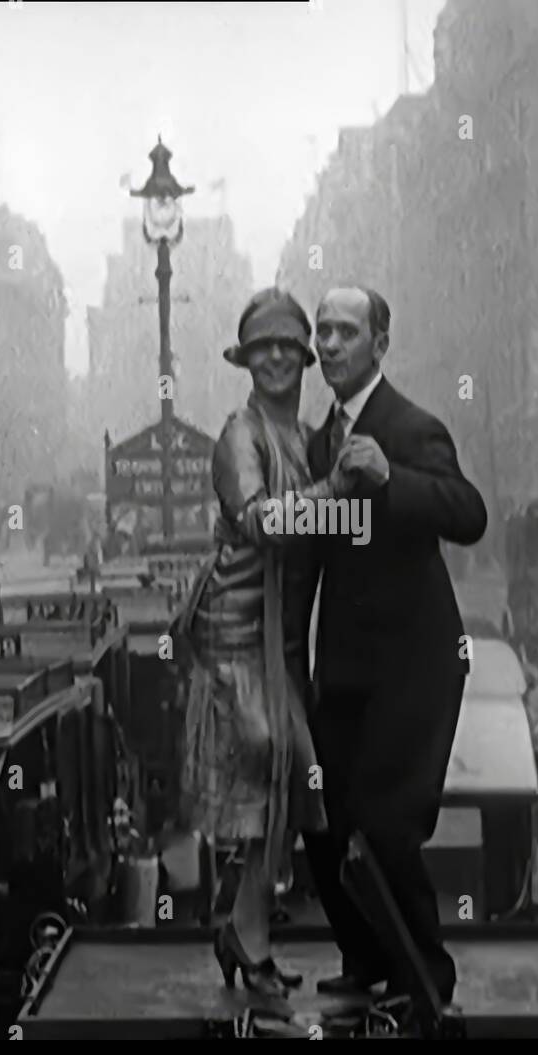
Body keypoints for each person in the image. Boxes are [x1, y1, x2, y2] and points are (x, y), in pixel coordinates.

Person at [305, 286, 487, 1009]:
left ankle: (427, 979)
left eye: (346, 331)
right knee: (321, 817)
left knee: (385, 825)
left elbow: (468, 513)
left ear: (380, 343)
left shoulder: (411, 426)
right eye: (322, 330)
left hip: (415, 665)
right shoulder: (323, 438)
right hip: (346, 669)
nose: (329, 344)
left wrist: (393, 479)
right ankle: (366, 957)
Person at [175, 287, 340, 1000]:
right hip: (237, 631)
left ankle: (245, 936)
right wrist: (338, 489)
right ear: (245, 360)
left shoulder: (304, 436)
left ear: (305, 356)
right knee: (268, 768)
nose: (275, 356)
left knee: (291, 787)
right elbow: (262, 521)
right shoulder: (237, 437)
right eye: (260, 346)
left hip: (283, 636)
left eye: (286, 344)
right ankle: (246, 937)